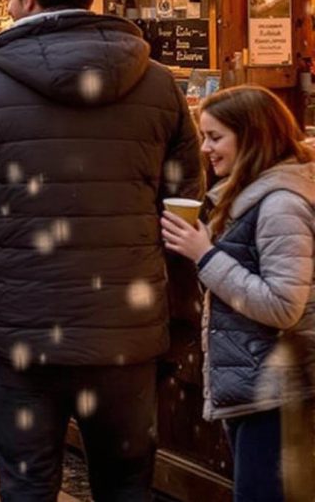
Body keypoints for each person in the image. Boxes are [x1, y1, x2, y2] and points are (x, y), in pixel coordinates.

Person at [0, 0, 202, 502]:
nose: (5, 7)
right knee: (125, 483)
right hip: (125, 323)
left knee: (27, 482)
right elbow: (185, 203)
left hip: (22, 327)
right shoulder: (158, 82)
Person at [158, 86, 315, 502]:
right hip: (262, 386)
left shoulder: (281, 203)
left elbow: (283, 305)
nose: (205, 148)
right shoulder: (250, 195)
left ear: (252, 137)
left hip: (278, 390)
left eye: (215, 137)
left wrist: (205, 255)